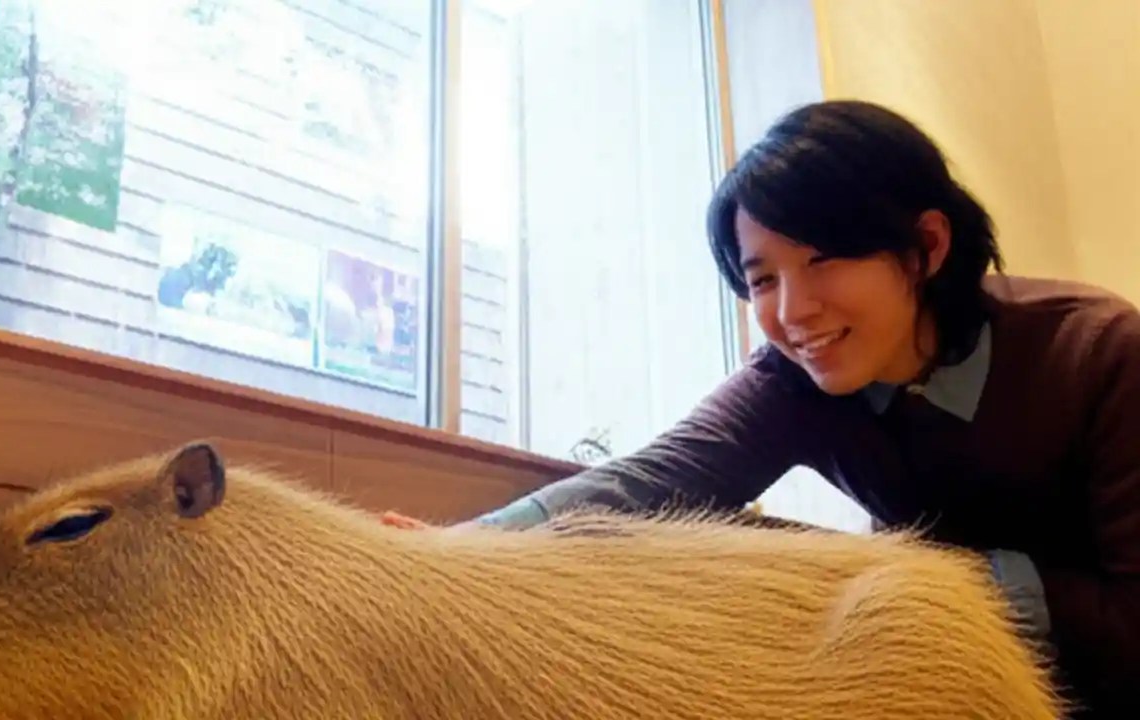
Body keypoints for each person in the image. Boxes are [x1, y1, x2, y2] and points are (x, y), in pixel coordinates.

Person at [383, 100, 1139, 717]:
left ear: (926, 247)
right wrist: (460, 553)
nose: (794, 310)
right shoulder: (798, 378)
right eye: (762, 280)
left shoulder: (1100, 351)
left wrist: (900, 585)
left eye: (822, 261)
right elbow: (655, 479)